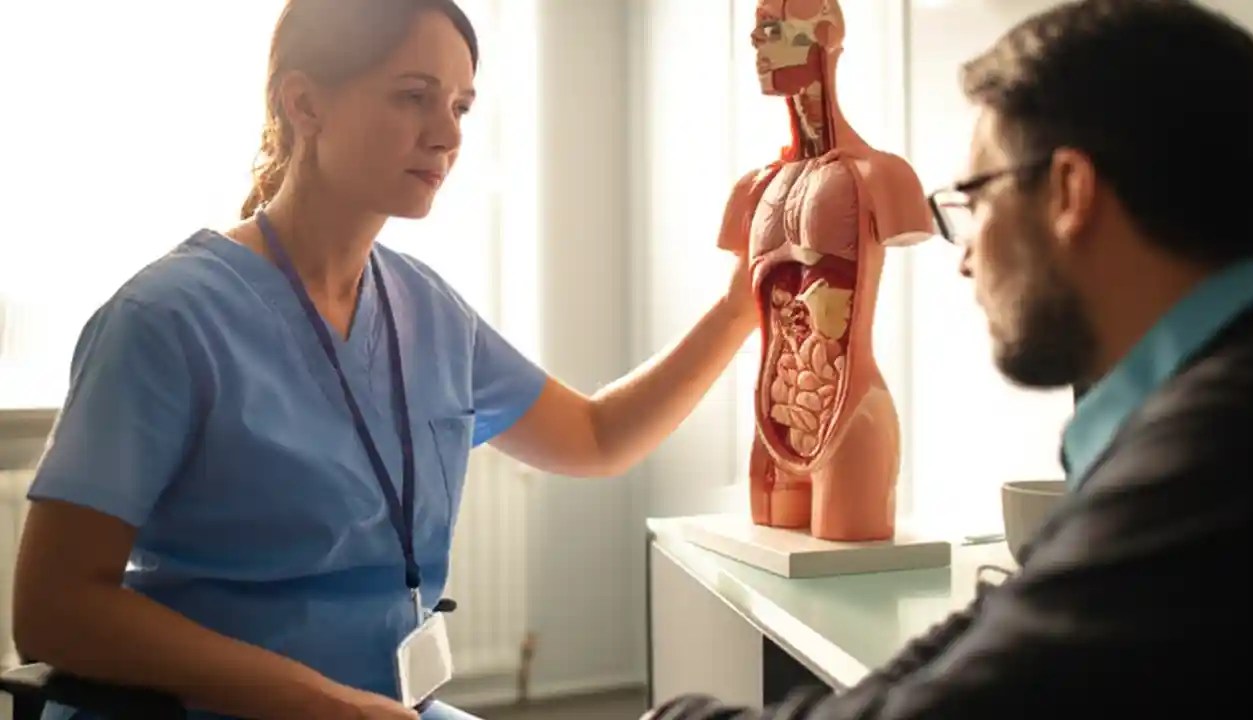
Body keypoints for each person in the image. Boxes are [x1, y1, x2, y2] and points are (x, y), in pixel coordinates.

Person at [11, 1, 756, 719]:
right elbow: (53, 610)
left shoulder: (427, 311)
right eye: (413, 97)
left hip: (383, 705)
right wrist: (318, 703)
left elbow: (596, 438)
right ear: (304, 103)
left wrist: (740, 307)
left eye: (461, 107)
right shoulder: (166, 321)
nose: (446, 136)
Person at [644, 0, 1253, 717]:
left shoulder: (1216, 455)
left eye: (973, 201)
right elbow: (1015, 611)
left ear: (1070, 192)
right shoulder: (1205, 408)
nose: (966, 257)